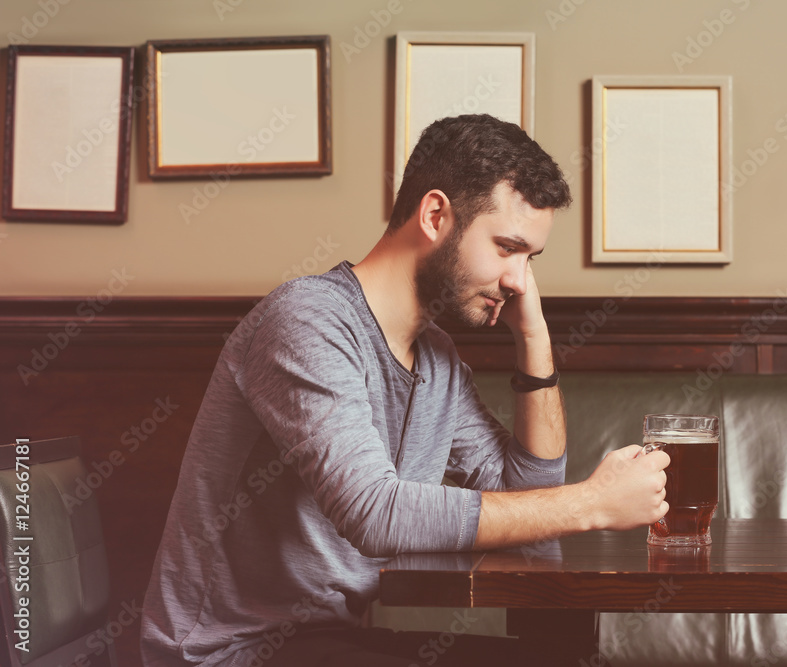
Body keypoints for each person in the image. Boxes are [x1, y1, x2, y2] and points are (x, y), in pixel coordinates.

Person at [140, 114, 670, 666]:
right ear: (436, 215)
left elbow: (526, 493)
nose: (518, 280)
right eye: (507, 248)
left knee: (555, 658)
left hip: (324, 642)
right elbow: (375, 512)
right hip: (227, 653)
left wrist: (532, 334)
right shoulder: (308, 320)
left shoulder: (436, 358)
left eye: (530, 260)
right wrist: (594, 503)